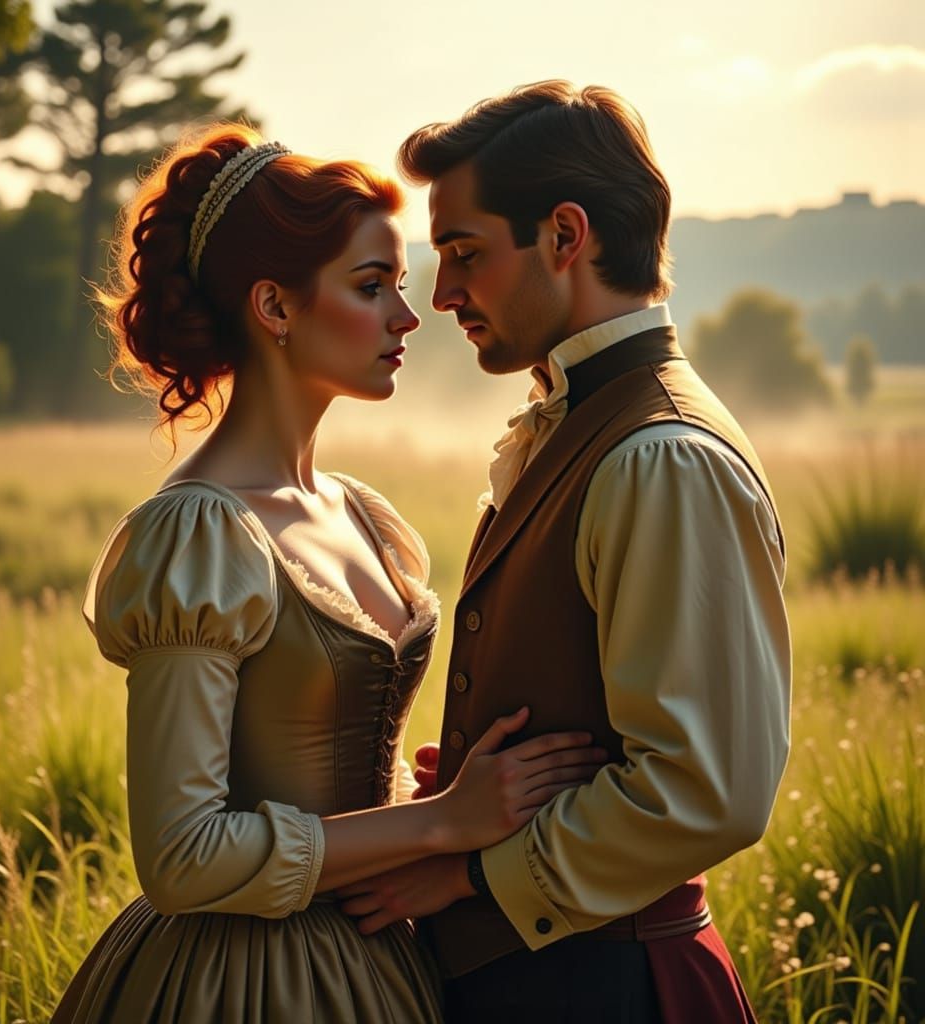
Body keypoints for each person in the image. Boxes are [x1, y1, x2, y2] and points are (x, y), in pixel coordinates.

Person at [50, 124, 608, 1023]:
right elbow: (181, 857)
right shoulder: (200, 532)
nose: (408, 315)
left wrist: (417, 806)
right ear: (274, 307)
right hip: (241, 979)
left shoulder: (362, 517)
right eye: (371, 286)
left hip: (382, 949)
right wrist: (441, 824)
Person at [337, 82, 792, 1022]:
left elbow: (706, 792)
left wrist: (471, 872)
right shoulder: (581, 422)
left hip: (612, 989)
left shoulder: (662, 455)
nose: (444, 294)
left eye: (463, 253)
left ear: (564, 236)